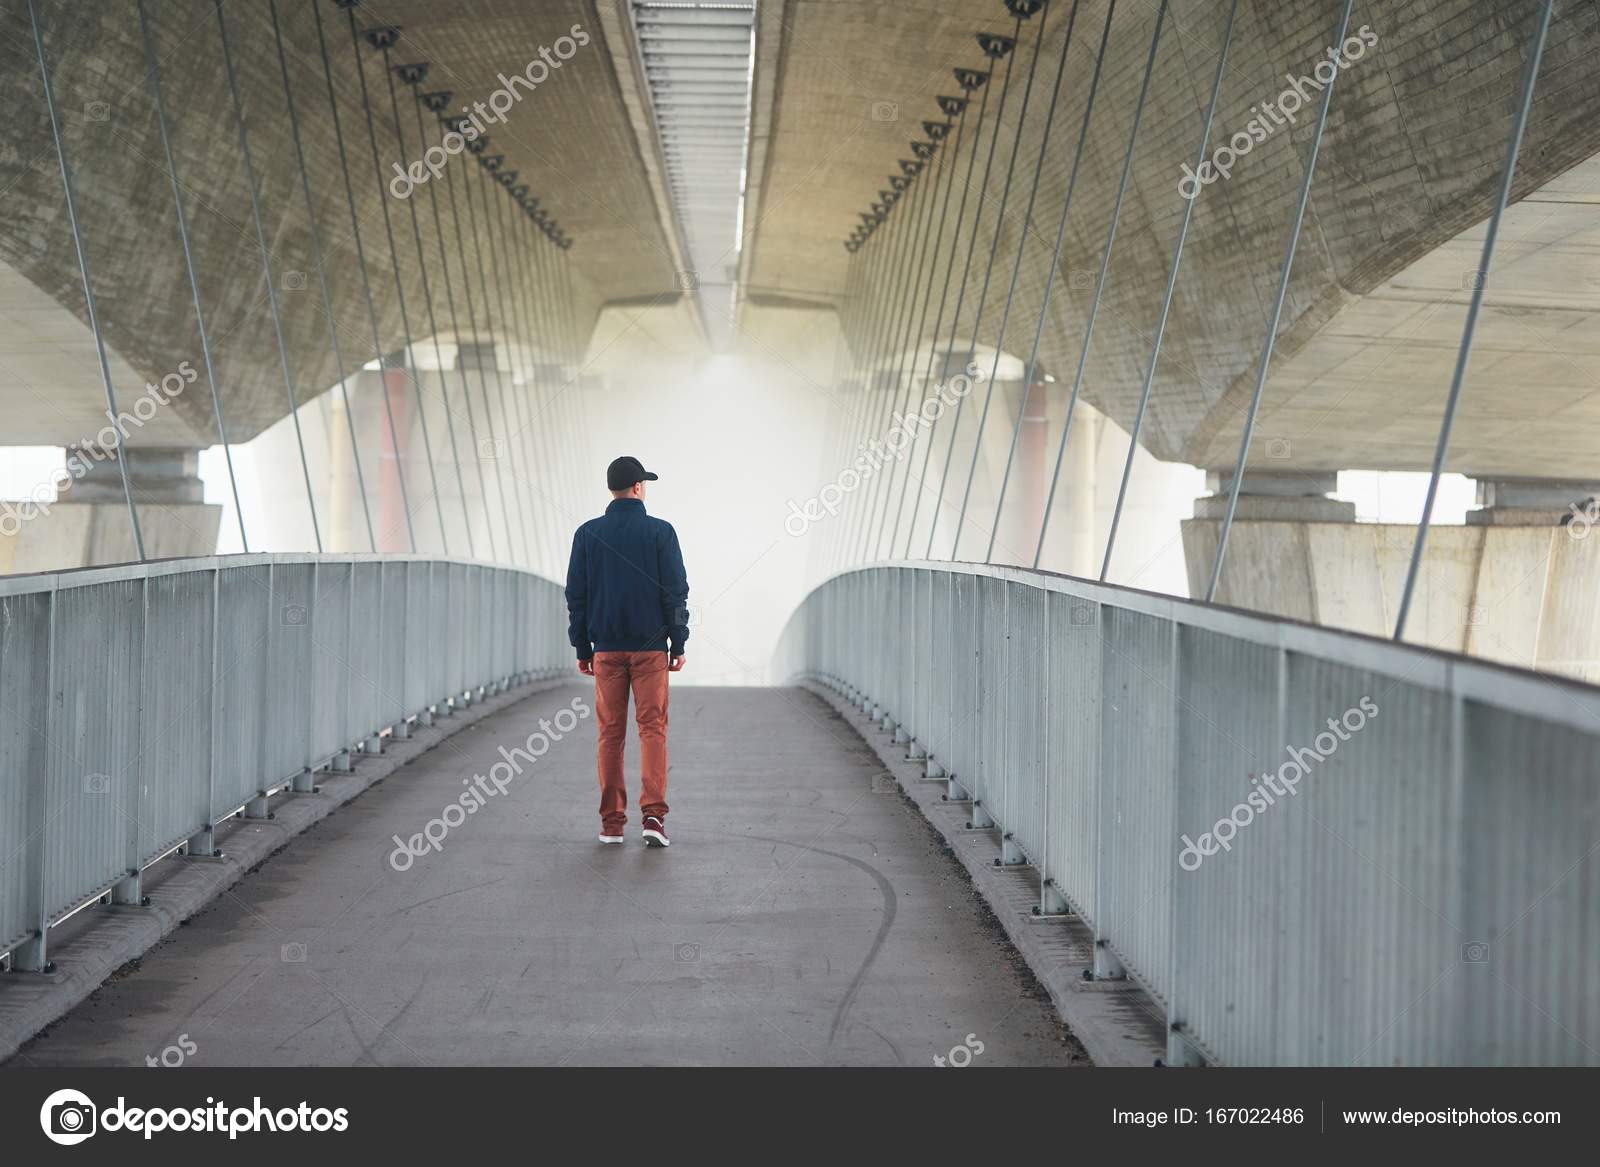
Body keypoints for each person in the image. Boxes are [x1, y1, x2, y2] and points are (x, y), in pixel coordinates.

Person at [565, 456, 689, 848]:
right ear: (638, 487)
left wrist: (583, 646)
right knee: (652, 730)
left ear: (611, 489)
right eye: (644, 483)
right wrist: (678, 641)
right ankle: (653, 817)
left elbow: (577, 596)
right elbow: (675, 592)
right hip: (651, 650)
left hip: (606, 651)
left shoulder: (587, 534)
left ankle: (612, 824)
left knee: (610, 735)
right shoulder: (661, 532)